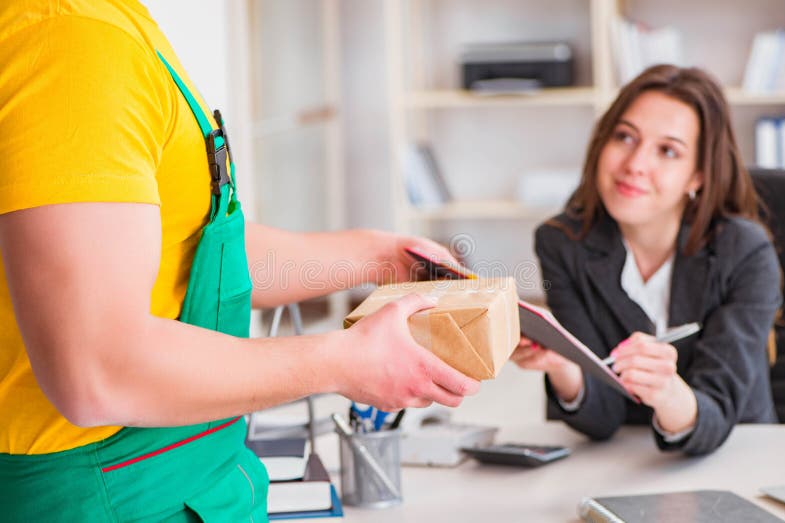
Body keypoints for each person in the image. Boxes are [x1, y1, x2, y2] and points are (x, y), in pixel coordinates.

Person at [0, 2, 479, 521]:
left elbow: (198, 253)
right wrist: (345, 362)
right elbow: (98, 369)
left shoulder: (113, 25)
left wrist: (381, 258)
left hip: (180, 476)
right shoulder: (73, 43)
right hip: (112, 496)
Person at [510, 64, 781, 456]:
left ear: (698, 177)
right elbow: (600, 418)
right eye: (625, 137)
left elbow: (719, 409)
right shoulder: (562, 243)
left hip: (737, 455)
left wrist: (666, 391)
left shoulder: (744, 251)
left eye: (668, 151)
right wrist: (564, 365)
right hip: (621, 461)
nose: (635, 164)